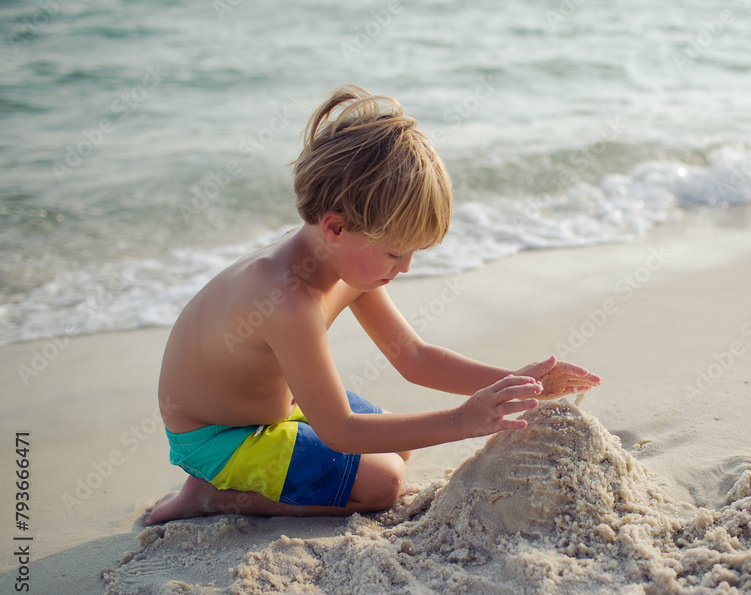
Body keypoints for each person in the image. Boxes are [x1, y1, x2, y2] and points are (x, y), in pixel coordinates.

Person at [146, 85, 600, 526]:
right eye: (394, 253)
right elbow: (340, 430)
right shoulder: (286, 299)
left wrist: (516, 383)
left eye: (412, 254)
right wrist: (465, 419)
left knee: (399, 447)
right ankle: (211, 496)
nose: (403, 269)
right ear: (336, 227)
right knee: (384, 483)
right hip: (219, 436)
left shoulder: (343, 264)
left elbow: (415, 357)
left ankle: (245, 479)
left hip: (279, 406)